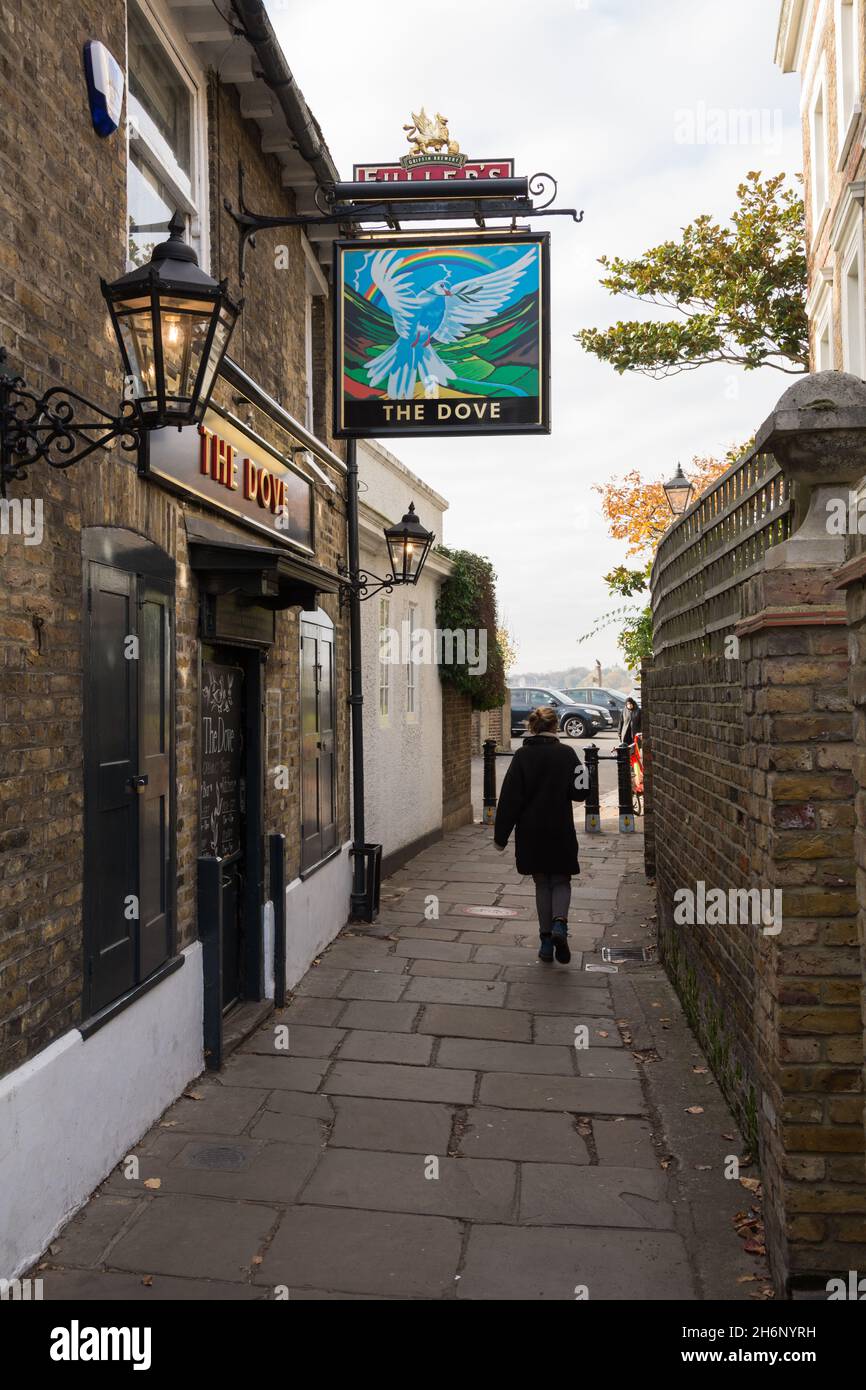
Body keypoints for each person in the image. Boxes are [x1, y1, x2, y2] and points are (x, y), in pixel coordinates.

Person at [493, 705, 587, 965]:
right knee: (561, 880)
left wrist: (501, 836)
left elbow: (510, 799)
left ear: (532, 727)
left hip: (531, 832)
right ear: (555, 726)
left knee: (541, 883)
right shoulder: (567, 754)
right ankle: (560, 924)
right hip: (560, 827)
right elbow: (581, 792)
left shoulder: (522, 756)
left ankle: (546, 943)